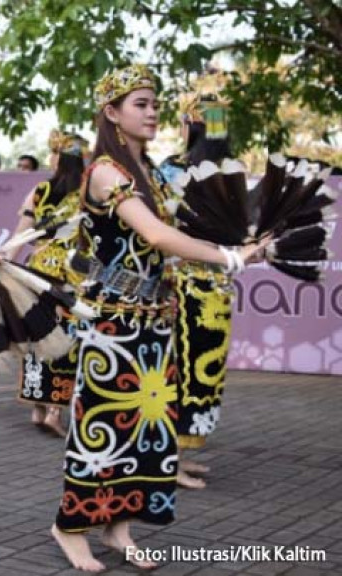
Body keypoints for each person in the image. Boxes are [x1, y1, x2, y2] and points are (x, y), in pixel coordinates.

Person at [49, 64, 266, 572]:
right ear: (112, 113)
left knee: (144, 432)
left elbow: (178, 243)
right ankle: (68, 525)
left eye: (154, 103)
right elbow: (160, 238)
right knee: (99, 427)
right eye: (140, 104)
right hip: (111, 325)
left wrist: (240, 245)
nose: (153, 111)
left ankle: (118, 528)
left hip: (154, 322)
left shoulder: (151, 173)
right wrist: (232, 257)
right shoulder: (107, 171)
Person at [160, 79, 235, 490]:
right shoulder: (176, 169)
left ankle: (180, 454)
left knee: (202, 371)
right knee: (184, 370)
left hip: (211, 283)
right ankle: (169, 460)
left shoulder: (219, 171)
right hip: (187, 282)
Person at [8, 130, 87, 437]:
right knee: (64, 342)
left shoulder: (39, 191)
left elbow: (21, 232)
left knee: (38, 339)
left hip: (38, 270)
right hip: (69, 274)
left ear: (57, 157)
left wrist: (7, 262)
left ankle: (37, 409)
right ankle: (54, 410)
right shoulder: (85, 193)